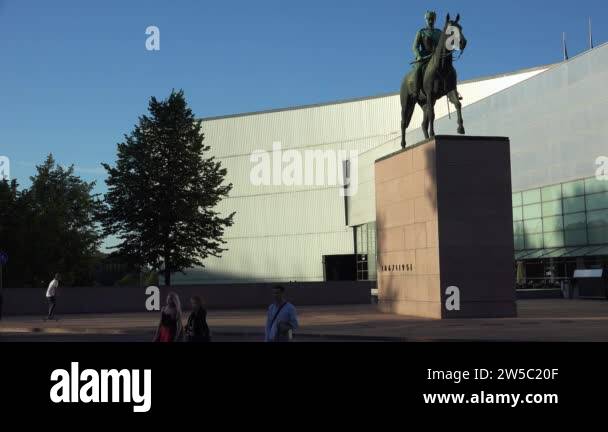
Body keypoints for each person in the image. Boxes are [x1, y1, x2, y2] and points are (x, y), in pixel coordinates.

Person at [411, 11, 443, 99]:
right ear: (426, 20)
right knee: (417, 68)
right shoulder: (421, 32)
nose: (430, 21)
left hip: (437, 57)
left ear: (435, 20)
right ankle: (416, 91)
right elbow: (415, 47)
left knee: (448, 67)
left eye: (432, 19)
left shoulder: (439, 33)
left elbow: (443, 46)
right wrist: (418, 56)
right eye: (429, 19)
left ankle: (451, 87)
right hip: (425, 57)